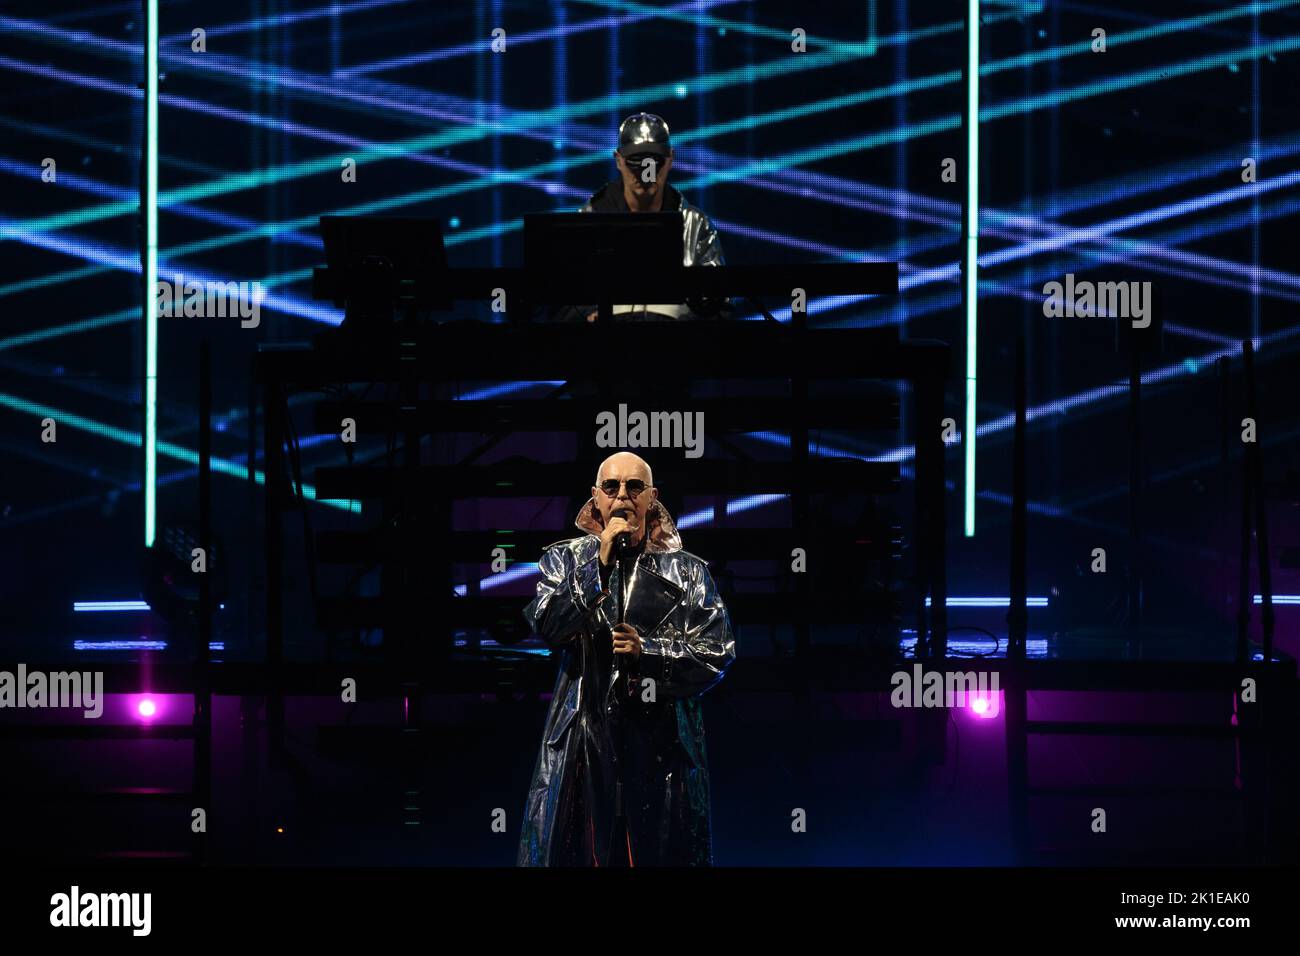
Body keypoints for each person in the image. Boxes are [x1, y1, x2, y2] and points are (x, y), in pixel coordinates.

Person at [518, 451, 735, 866]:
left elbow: (717, 653)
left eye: (634, 487)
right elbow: (546, 625)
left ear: (652, 497)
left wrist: (650, 654)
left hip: (662, 747)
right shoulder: (564, 560)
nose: (622, 496)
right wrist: (596, 567)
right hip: (584, 740)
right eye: (611, 487)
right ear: (595, 498)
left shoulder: (687, 572)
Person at [554, 112, 731, 322]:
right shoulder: (587, 221)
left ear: (670, 159)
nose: (646, 171)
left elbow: (722, 308)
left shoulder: (695, 225)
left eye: (654, 161)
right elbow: (560, 304)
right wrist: (589, 316)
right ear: (619, 160)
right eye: (635, 161)